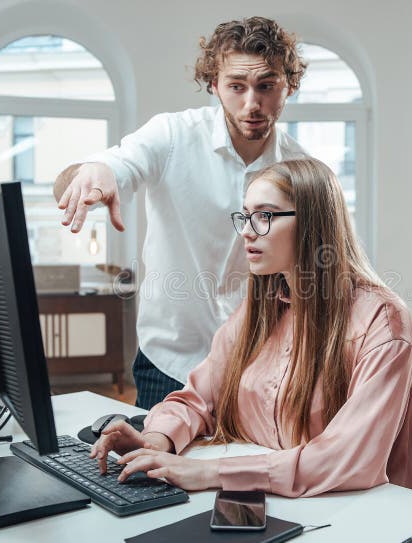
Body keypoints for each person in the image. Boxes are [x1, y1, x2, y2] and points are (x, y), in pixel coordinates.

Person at [90, 158, 412, 497]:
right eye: (245, 216)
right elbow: (199, 399)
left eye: (265, 216)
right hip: (283, 501)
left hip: (370, 510)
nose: (247, 231)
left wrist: (209, 472)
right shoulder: (260, 307)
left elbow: (347, 458)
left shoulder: (382, 320)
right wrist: (154, 442)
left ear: (313, 223)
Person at [53, 17, 308, 409]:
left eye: (266, 86)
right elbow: (119, 165)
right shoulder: (172, 136)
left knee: (244, 454)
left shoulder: (300, 168)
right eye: (236, 86)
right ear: (214, 84)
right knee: (153, 451)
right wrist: (92, 173)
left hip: (258, 366)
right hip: (170, 363)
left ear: (288, 85)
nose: (252, 103)